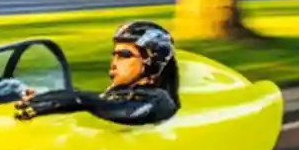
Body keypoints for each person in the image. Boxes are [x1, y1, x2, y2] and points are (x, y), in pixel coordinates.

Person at [14, 20, 179, 126]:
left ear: (152, 63)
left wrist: (79, 100)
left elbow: (125, 111)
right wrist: (45, 96)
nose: (114, 63)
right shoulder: (122, 94)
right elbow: (97, 100)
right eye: (114, 55)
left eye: (124, 56)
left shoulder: (159, 101)